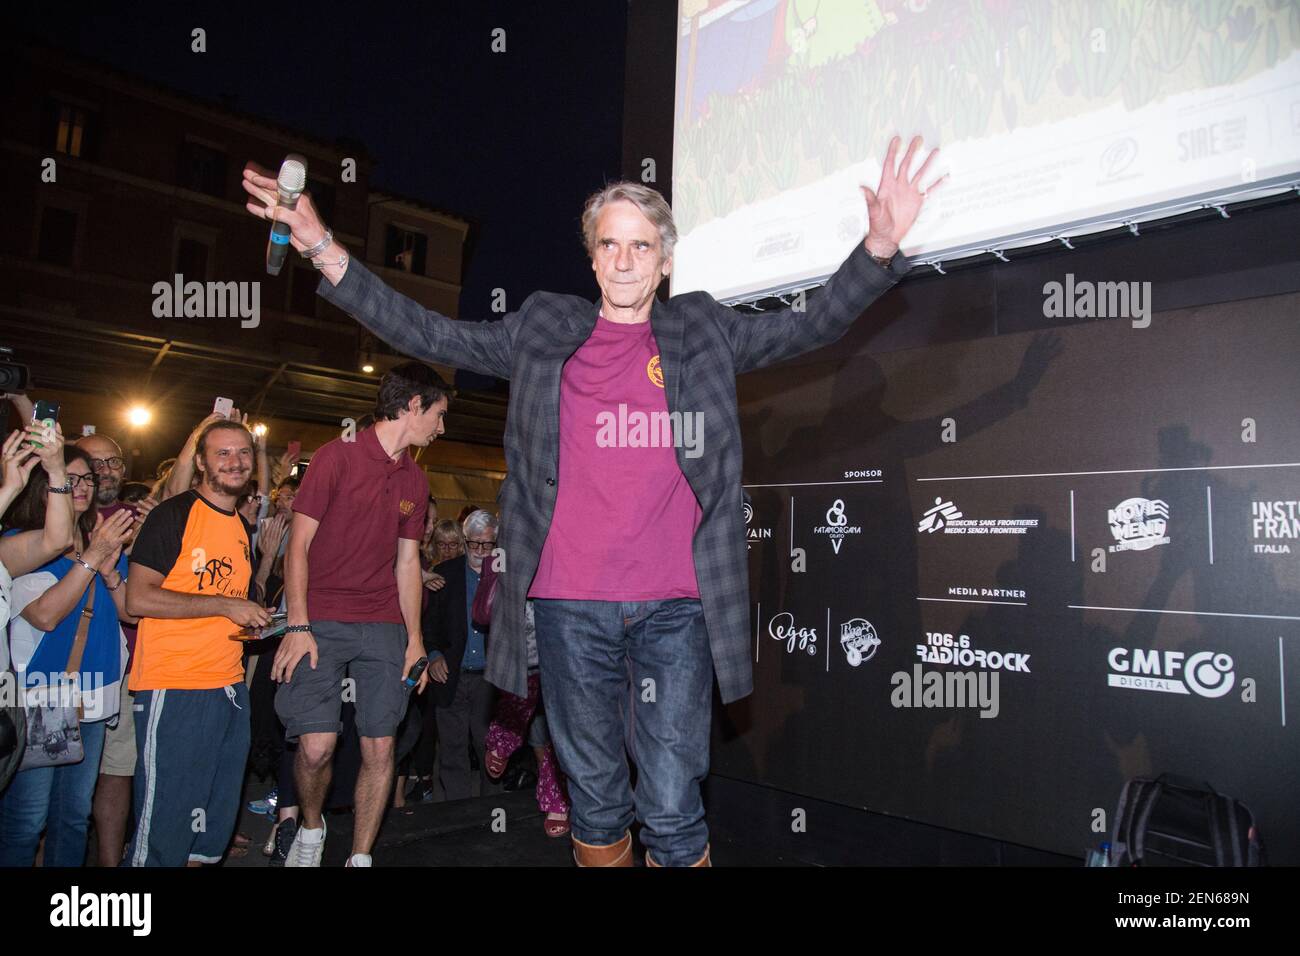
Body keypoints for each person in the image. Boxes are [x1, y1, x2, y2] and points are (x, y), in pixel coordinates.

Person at [243, 135, 942, 866]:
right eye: (610, 244)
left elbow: (810, 324)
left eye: (642, 246)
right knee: (598, 800)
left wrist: (879, 247)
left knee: (673, 802)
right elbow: (429, 330)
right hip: (569, 607)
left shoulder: (700, 328)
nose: (626, 259)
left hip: (678, 607)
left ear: (665, 260)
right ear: (592, 255)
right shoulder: (545, 327)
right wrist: (323, 246)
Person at [270, 362, 445, 867]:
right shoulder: (336, 457)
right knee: (317, 747)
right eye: (437, 414)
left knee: (380, 747)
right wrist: (298, 624)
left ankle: (361, 856)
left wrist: (414, 639)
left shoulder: (416, 478)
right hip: (321, 618)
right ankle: (309, 826)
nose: (440, 427)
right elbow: (296, 547)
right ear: (413, 405)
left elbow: (408, 563)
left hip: (384, 624)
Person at [122, 419, 270, 866]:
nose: (235, 461)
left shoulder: (242, 529)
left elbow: (231, 603)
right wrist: (226, 606)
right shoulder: (174, 513)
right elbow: (138, 597)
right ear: (201, 461)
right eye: (222, 453)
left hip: (228, 686)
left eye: (243, 452)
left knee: (212, 827)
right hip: (175, 684)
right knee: (162, 828)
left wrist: (257, 619)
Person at [0, 445, 136, 867]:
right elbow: (45, 615)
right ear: (44, 487)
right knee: (28, 819)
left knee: (74, 817)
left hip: (93, 699)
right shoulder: (21, 545)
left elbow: (130, 611)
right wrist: (93, 559)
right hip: (40, 699)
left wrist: (110, 570)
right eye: (70, 479)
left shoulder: (99, 541)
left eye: (87, 480)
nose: (81, 487)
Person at [75, 430, 156, 866]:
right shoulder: (62, 519)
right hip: (65, 667)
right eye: (94, 464)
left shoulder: (137, 515)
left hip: (122, 663)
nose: (104, 472)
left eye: (113, 463)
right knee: (56, 784)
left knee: (116, 771)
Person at [421, 510, 501, 802]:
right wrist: (433, 654)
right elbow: (427, 625)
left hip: (491, 680)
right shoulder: (445, 573)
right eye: (473, 544)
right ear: (464, 542)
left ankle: (493, 811)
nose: (480, 552)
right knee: (452, 750)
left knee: (490, 750)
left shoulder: (505, 576)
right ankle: (459, 813)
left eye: (487, 545)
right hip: (452, 674)